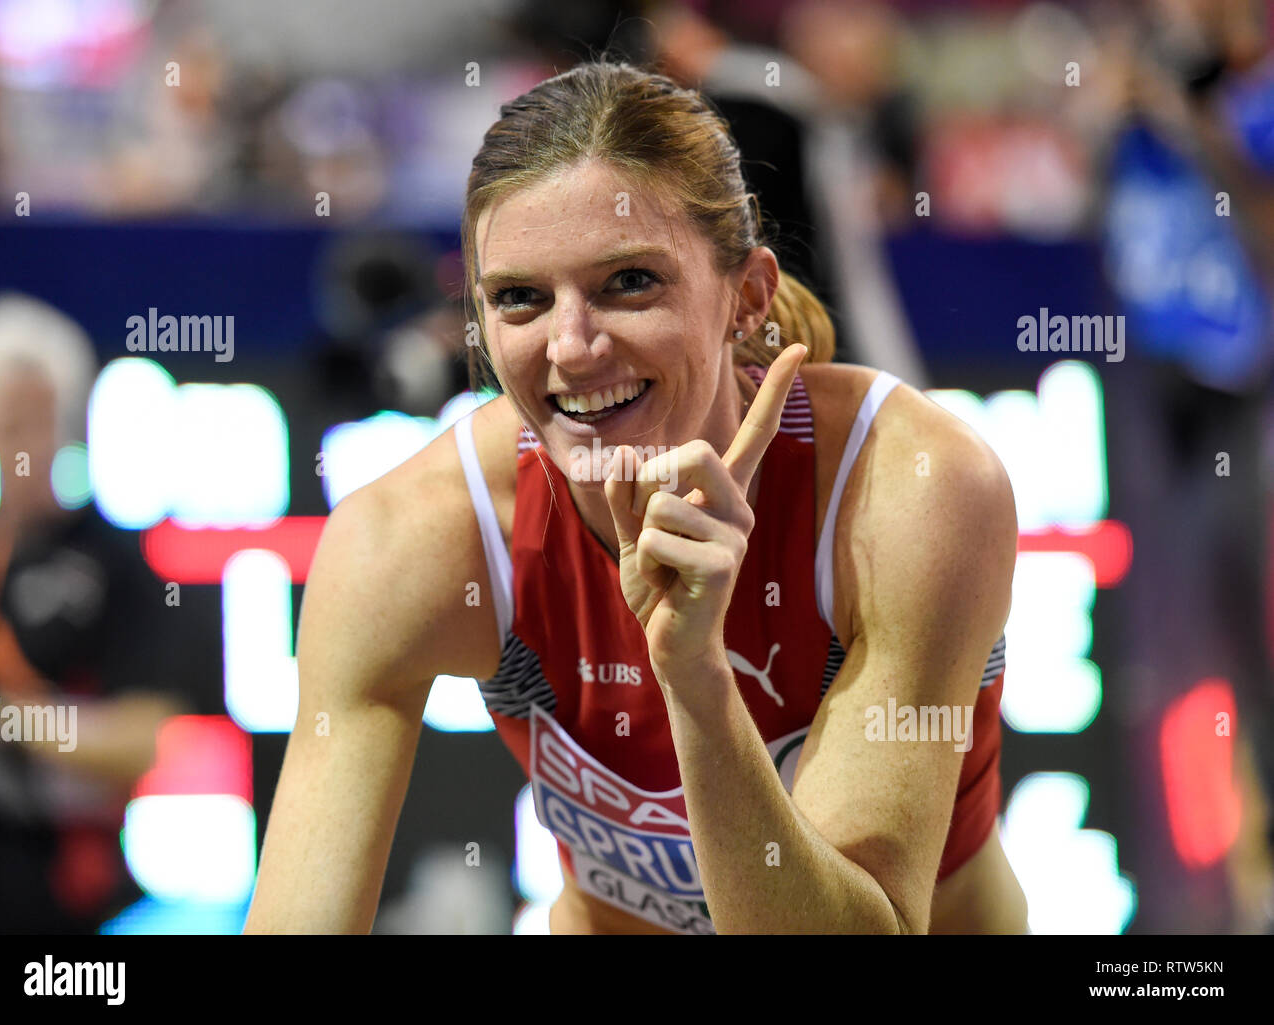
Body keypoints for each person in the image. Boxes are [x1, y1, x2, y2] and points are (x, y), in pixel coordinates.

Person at [244, 60, 1028, 935]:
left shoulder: (908, 489)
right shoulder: (412, 537)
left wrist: (695, 679)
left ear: (748, 295)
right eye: (520, 299)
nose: (572, 348)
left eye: (629, 282)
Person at [0, 293, 192, 933]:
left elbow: (140, 740)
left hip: (65, 892)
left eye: (36, 423)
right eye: (3, 425)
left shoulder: (113, 566)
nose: (22, 448)